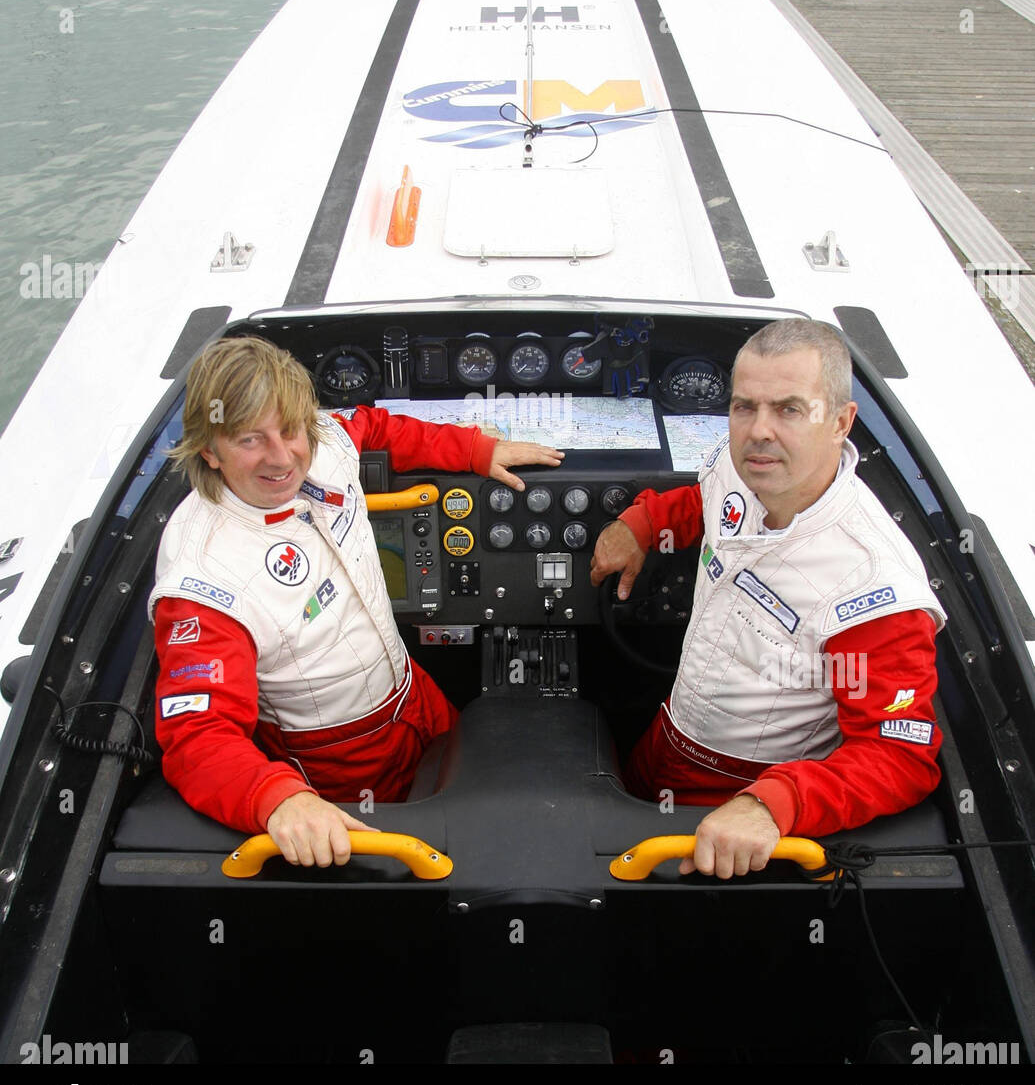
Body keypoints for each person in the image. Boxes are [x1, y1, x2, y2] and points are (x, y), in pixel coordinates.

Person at [150, 335, 562, 867]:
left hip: (415, 698)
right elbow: (196, 735)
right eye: (251, 440)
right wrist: (280, 800)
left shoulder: (322, 441)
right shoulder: (201, 578)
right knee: (412, 868)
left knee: (485, 802)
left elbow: (376, 424)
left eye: (291, 430)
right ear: (209, 449)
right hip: (337, 762)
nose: (283, 459)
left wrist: (476, 451)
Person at [590, 319, 945, 879]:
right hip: (667, 740)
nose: (759, 431)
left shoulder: (871, 588)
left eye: (789, 409)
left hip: (739, 800)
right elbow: (706, 502)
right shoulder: (743, 467)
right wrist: (643, 521)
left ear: (840, 423)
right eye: (743, 407)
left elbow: (898, 756)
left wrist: (772, 804)